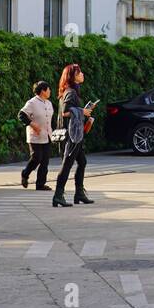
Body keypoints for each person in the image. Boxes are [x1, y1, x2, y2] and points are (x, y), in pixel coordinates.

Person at [52, 64, 95, 208]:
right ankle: (58, 195)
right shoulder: (70, 92)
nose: (82, 74)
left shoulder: (72, 91)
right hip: (72, 136)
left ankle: (79, 194)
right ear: (72, 76)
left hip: (76, 134)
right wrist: (82, 111)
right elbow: (65, 112)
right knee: (67, 165)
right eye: (79, 72)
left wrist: (84, 112)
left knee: (82, 162)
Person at [20, 80, 53, 191]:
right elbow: (21, 115)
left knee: (45, 161)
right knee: (36, 158)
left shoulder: (49, 103)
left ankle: (40, 184)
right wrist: (32, 124)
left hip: (47, 135)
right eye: (48, 89)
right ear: (43, 91)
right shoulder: (32, 103)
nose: (50, 91)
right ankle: (25, 174)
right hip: (35, 136)